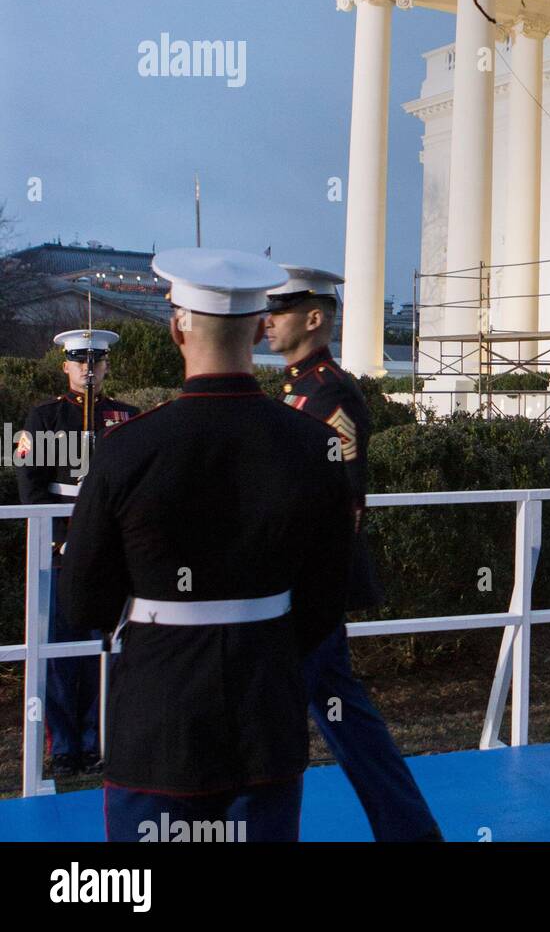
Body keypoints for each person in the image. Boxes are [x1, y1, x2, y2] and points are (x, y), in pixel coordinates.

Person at [61, 249, 353, 843]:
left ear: (176, 328)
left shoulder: (128, 447)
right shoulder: (311, 445)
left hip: (158, 711)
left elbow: (84, 602)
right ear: (256, 326)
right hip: (264, 709)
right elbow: (328, 597)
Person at [264, 264, 444, 842]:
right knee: (348, 722)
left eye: (281, 309)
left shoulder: (329, 392)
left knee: (277, 726)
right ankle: (411, 833)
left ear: (314, 318)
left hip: (305, 591)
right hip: (305, 590)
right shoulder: (298, 388)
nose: (268, 320)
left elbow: (338, 503)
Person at [14, 329, 138, 779]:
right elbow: (30, 483)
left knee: (105, 648)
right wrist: (54, 539)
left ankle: (96, 741)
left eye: (97, 360)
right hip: (63, 545)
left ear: (106, 366)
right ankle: (64, 747)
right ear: (65, 365)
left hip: (112, 548)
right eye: (79, 360)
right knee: (61, 650)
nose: (89, 368)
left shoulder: (127, 418)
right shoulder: (45, 417)